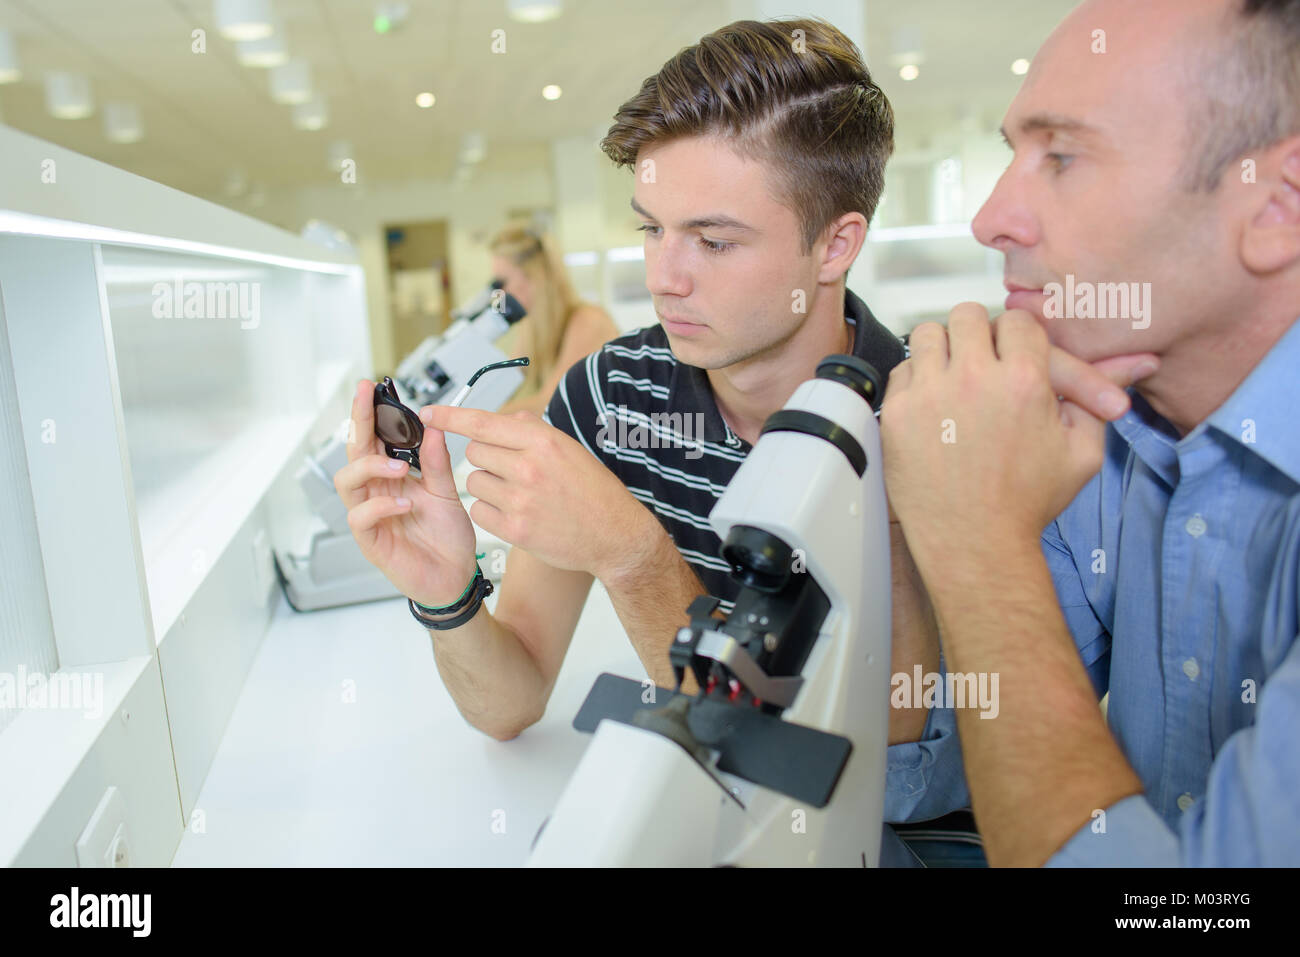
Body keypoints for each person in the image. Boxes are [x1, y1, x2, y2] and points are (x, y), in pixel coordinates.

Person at [332, 17, 1137, 865]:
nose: (664, 277)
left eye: (713, 241)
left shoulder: (928, 420)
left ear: (836, 245)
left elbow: (862, 764)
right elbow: (510, 699)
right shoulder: (611, 396)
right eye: (652, 229)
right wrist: (448, 593)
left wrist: (632, 552)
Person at [880, 0, 1300, 865]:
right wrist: (918, 498)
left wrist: (981, 544)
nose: (991, 217)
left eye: (1062, 157)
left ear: (1275, 209)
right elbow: (941, 769)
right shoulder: (1106, 428)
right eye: (1014, 155)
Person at [485, 223, 618, 416]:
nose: (499, 293)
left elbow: (552, 403)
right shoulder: (531, 330)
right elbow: (502, 385)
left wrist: (475, 418)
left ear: (534, 276)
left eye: (502, 282)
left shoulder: (588, 321)